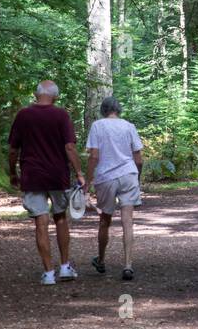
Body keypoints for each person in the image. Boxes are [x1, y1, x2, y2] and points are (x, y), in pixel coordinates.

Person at [8, 80, 85, 285]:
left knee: (40, 222)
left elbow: (13, 149)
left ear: (36, 94)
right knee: (60, 218)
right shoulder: (61, 115)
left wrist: (12, 173)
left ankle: (49, 273)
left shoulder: (23, 115)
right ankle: (65, 267)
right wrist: (79, 173)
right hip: (57, 175)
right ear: (55, 96)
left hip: (32, 176)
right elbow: (69, 147)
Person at [83, 96, 144, 281]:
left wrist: (88, 180)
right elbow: (139, 158)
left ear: (103, 109)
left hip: (105, 177)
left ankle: (101, 260)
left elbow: (94, 156)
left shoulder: (97, 126)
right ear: (119, 110)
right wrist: (137, 177)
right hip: (128, 175)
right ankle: (128, 265)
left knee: (104, 220)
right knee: (128, 221)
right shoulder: (129, 126)